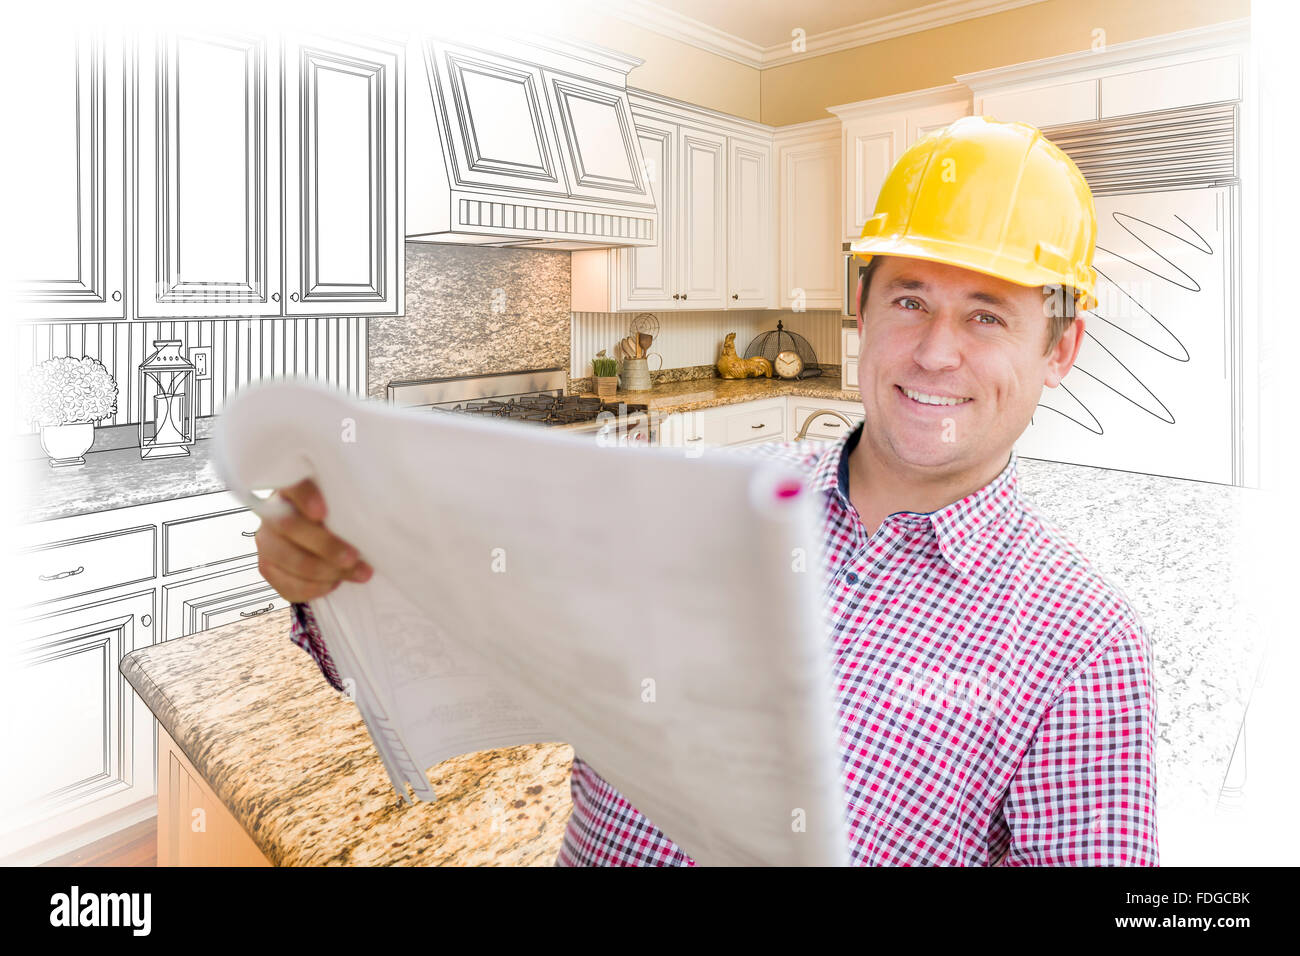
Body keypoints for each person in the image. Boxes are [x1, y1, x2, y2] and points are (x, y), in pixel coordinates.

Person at [256, 116, 1158, 866]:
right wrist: (338, 583)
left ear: (1059, 350)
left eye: (988, 315)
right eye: (910, 300)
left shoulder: (1084, 649)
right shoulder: (697, 505)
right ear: (862, 306)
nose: (933, 353)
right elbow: (464, 657)